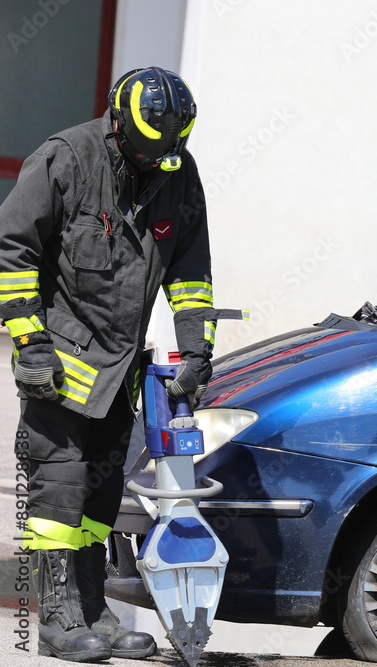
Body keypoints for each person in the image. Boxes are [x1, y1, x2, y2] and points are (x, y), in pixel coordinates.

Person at [0, 67, 221, 662]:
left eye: (169, 148)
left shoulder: (177, 170)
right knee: (60, 489)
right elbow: (11, 247)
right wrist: (31, 343)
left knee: (100, 498)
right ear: (118, 123)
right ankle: (55, 617)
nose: (157, 160)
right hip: (61, 363)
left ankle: (95, 606)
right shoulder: (66, 158)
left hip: (122, 369)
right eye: (148, 148)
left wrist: (196, 351)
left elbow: (191, 273)